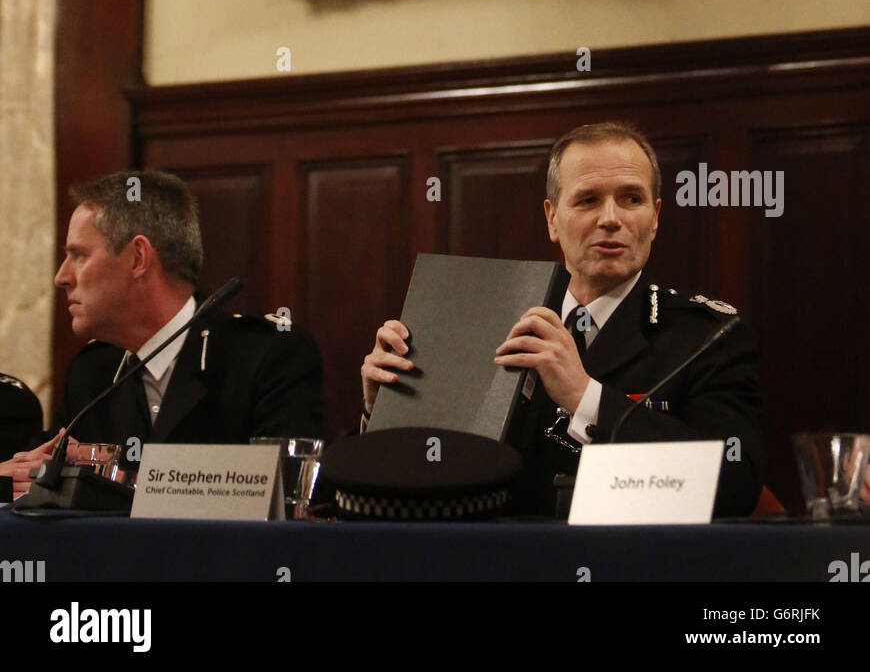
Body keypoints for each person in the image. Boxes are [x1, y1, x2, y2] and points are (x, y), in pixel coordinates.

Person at [361, 121, 763, 518]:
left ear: (654, 217)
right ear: (552, 218)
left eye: (631, 199)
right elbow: (421, 484)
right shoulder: (484, 324)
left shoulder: (708, 336)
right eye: (588, 200)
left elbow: (734, 485)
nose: (610, 218)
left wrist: (586, 398)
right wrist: (386, 414)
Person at [1, 170, 323, 497]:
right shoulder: (91, 372)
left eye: (79, 255)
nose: (61, 277)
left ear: (138, 258)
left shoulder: (267, 357)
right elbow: (46, 489)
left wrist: (113, 478)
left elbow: (283, 493)